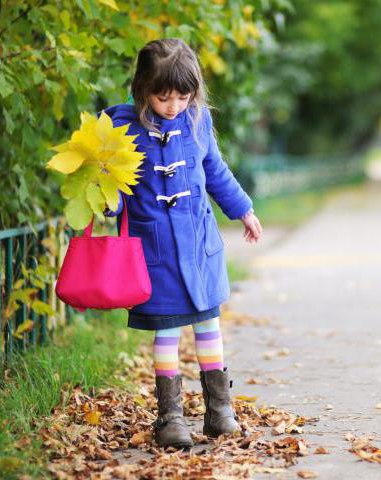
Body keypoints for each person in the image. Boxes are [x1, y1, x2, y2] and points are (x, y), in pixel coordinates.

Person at [100, 38, 263, 450]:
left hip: (200, 244)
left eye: (182, 96)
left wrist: (243, 210)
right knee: (168, 330)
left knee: (209, 323)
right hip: (154, 249)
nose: (173, 105)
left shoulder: (197, 120)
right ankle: (170, 418)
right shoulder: (121, 128)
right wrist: (107, 199)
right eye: (163, 96)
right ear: (142, 89)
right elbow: (114, 184)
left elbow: (216, 170)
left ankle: (219, 410)